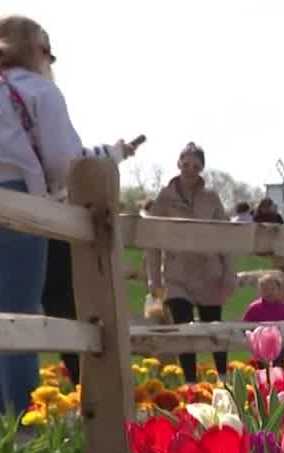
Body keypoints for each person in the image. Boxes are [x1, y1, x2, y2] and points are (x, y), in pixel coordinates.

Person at [0, 15, 137, 410]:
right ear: (37, 50)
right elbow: (65, 162)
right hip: (22, 203)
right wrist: (108, 156)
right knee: (19, 312)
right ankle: (19, 421)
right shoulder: (40, 91)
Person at [146, 143, 235, 383]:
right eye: (186, 164)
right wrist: (153, 279)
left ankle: (223, 379)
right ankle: (190, 383)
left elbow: (227, 236)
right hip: (177, 273)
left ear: (201, 169)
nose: (190, 170)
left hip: (208, 272)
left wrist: (229, 273)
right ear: (178, 164)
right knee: (184, 327)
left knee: (212, 328)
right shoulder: (165, 198)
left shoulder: (211, 198)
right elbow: (151, 239)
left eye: (195, 166)